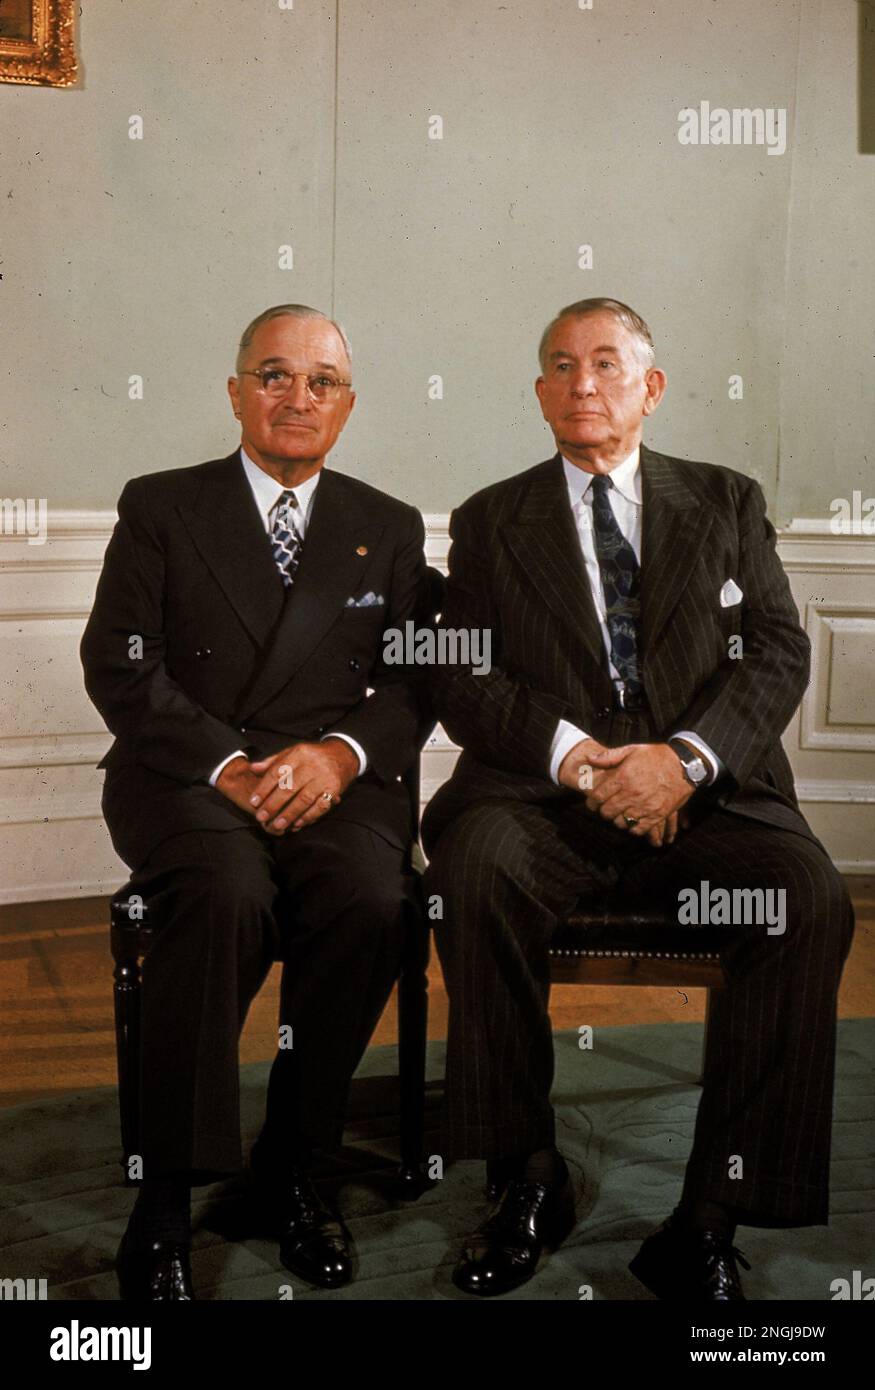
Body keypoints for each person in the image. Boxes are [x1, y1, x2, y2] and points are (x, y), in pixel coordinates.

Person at [421, 297, 855, 1299]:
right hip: (542, 798)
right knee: (472, 867)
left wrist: (685, 761)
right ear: (539, 392)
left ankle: (708, 1215)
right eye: (561, 365)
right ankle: (524, 1174)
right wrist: (582, 760)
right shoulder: (492, 518)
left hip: (703, 797)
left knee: (803, 896)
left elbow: (776, 648)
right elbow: (462, 677)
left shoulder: (726, 500)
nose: (583, 383)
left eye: (606, 363)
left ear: (648, 388)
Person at [82, 303, 431, 1300]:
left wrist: (338, 752)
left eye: (320, 381)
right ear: (235, 392)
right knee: (227, 891)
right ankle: (164, 1204)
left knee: (372, 899)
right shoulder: (162, 504)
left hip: (335, 779)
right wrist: (230, 766)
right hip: (188, 777)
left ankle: (294, 1166)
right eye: (273, 374)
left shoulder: (387, 525)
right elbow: (120, 662)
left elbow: (415, 681)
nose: (297, 396)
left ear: (347, 406)